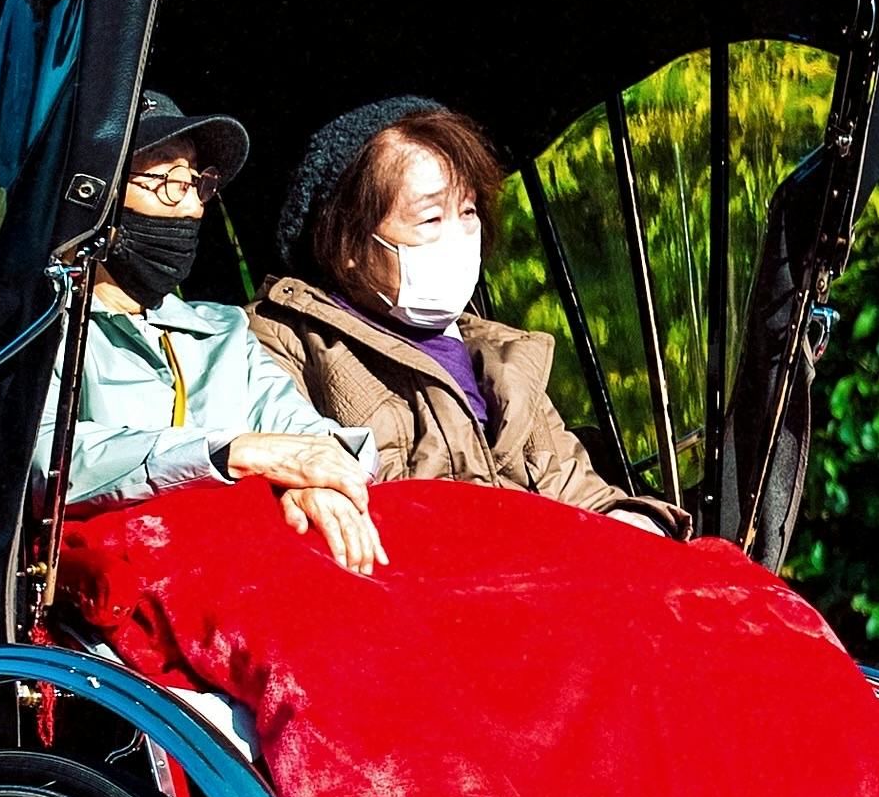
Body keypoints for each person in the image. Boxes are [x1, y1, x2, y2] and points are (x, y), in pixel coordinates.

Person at [254, 96, 682, 527]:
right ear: (348, 241)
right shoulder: (280, 343)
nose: (459, 237)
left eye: (468, 210)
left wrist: (644, 522)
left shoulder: (503, 357)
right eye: (431, 219)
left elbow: (584, 496)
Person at [38, 90, 384, 575]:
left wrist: (321, 480)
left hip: (247, 581)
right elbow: (38, 461)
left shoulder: (224, 330)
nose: (187, 207)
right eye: (164, 181)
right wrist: (229, 453)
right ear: (94, 196)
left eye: (197, 182)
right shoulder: (28, 325)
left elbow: (311, 437)